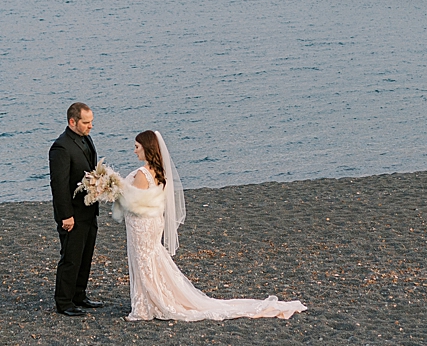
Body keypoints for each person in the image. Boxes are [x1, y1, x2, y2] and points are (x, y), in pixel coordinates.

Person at [115, 129, 305, 322]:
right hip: (154, 223)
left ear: (147, 149)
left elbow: (132, 202)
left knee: (143, 261)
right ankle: (152, 298)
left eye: (137, 147)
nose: (134, 151)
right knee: (152, 258)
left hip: (142, 225)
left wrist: (114, 193)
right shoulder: (160, 171)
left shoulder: (142, 173)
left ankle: (146, 305)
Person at [49, 102, 104, 317]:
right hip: (72, 214)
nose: (91, 126)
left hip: (89, 210)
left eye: (91, 122)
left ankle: (79, 294)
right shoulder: (61, 147)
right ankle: (64, 301)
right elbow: (59, 185)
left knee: (86, 255)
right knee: (71, 257)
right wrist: (66, 216)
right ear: (72, 122)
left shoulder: (86, 138)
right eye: (86, 122)